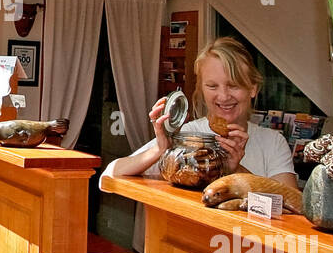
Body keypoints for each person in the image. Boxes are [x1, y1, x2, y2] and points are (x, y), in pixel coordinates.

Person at [107, 36, 296, 189]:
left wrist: (236, 169)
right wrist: (160, 149)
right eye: (212, 86)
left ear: (253, 88)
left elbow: (292, 204)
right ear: (201, 89)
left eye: (234, 85)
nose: (223, 96)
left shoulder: (272, 143)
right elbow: (110, 175)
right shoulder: (186, 137)